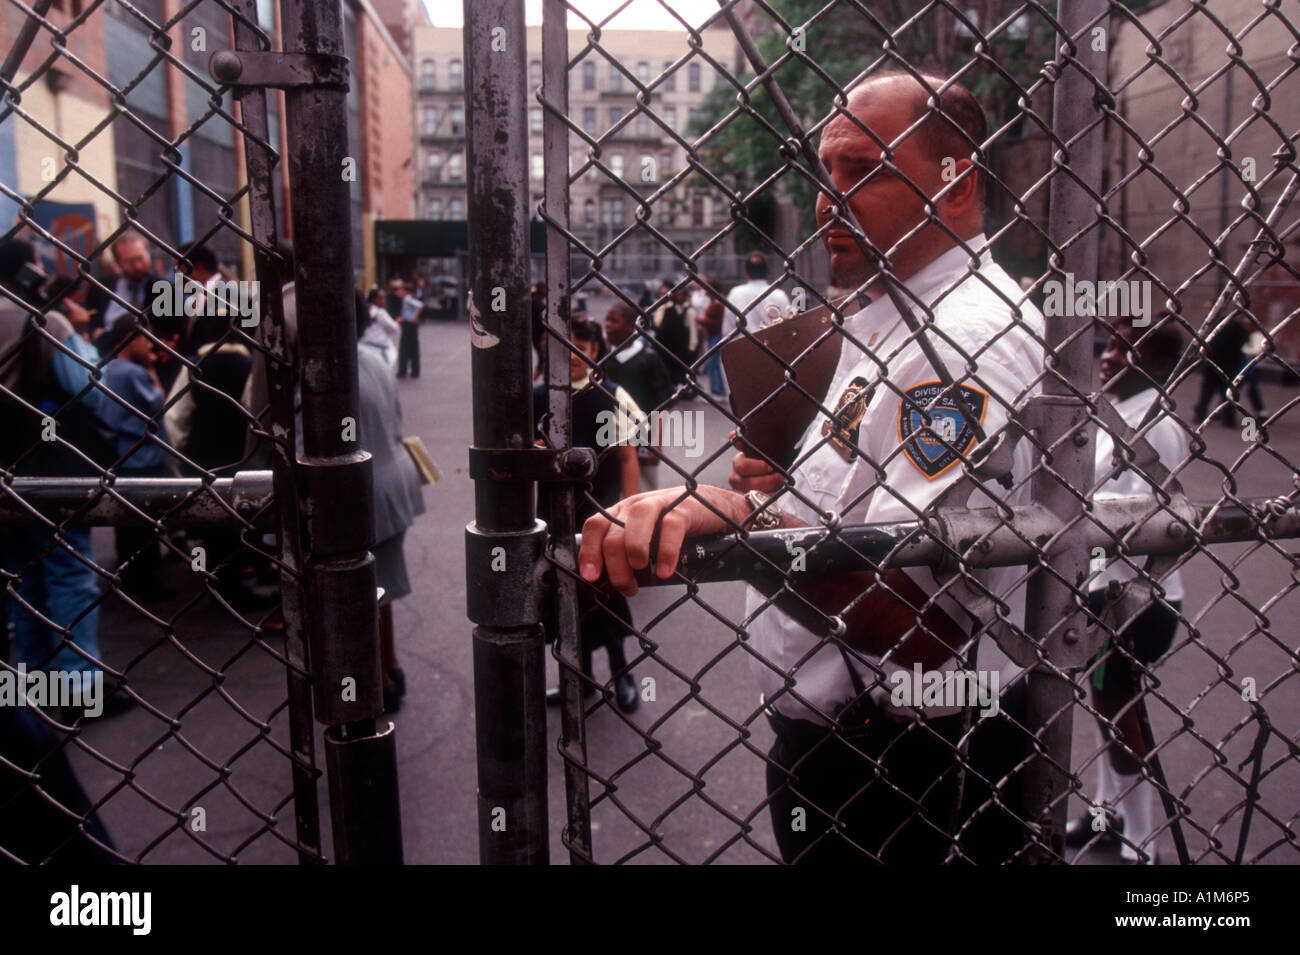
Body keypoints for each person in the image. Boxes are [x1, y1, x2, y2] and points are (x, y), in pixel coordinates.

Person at [576, 71, 1047, 863]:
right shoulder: (887, 308)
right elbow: (859, 511)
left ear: (955, 183)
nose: (830, 199)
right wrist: (786, 492)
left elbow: (927, 634)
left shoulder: (966, 332)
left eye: (864, 170)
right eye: (827, 171)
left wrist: (739, 520)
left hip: (913, 772)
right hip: (845, 749)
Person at [1066, 314, 1187, 865]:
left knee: (1120, 710)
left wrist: (1073, 515)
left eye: (1126, 349)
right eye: (1110, 346)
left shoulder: (1154, 424)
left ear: (1159, 364)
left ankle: (1142, 836)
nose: (1109, 357)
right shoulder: (1117, 413)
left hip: (1133, 597)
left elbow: (1143, 518)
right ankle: (1104, 811)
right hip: (1100, 589)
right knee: (1106, 703)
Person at [0, 239, 127, 716]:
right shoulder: (43, 321)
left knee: (22, 580)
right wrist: (80, 334)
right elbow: (87, 391)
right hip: (45, 463)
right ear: (29, 271)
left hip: (3, 466)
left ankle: (33, 684)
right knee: (69, 572)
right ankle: (78, 688)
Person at [536, 318, 642, 713]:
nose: (573, 355)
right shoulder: (538, 397)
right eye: (564, 347)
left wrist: (629, 512)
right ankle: (576, 681)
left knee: (605, 598)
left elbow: (630, 456)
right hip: (552, 519)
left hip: (601, 514)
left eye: (582, 346)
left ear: (595, 351)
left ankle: (622, 673)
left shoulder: (611, 395)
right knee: (563, 604)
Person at [354, 292, 426, 713]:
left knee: (363, 593)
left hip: (369, 495)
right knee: (380, 589)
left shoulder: (325, 372)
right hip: (393, 483)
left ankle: (379, 680)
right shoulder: (373, 359)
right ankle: (389, 668)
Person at [98, 316, 174, 601]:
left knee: (126, 522)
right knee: (145, 520)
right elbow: (158, 401)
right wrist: (152, 368)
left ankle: (129, 573)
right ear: (130, 337)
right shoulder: (135, 373)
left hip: (121, 453)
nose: (150, 343)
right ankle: (145, 578)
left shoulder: (109, 369)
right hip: (144, 455)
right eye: (145, 337)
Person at [603, 303, 674, 492]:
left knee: (643, 488)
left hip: (642, 434)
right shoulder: (603, 358)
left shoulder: (649, 358)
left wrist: (656, 442)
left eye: (614, 321)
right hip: (607, 432)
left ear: (629, 326)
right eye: (607, 320)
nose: (607, 325)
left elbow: (662, 404)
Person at [1192, 314, 1264, 427]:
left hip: (1213, 361)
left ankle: (1200, 413)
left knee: (1207, 391)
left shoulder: (1218, 326)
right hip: (1230, 365)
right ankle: (1228, 419)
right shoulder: (1238, 329)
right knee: (1227, 392)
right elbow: (1242, 346)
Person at [724, 253, 792, 343]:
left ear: (746, 273)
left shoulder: (736, 293)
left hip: (743, 348)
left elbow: (727, 328)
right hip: (774, 348)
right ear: (767, 271)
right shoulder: (779, 294)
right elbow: (788, 325)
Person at [652, 282, 697, 389]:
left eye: (681, 295)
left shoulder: (686, 310)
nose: (679, 297)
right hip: (668, 343)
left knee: (681, 365)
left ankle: (680, 384)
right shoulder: (668, 309)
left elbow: (692, 329)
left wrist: (692, 344)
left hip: (681, 343)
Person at [390, 278, 423, 379]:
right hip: (409, 323)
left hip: (409, 324)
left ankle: (402, 371)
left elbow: (420, 305)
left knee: (404, 348)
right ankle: (415, 371)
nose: (398, 292)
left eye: (401, 290)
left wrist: (414, 318)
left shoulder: (407, 299)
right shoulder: (406, 299)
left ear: (405, 291)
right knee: (413, 348)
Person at [362, 287, 400, 369]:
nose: (384, 301)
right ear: (374, 300)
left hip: (365, 347)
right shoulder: (380, 313)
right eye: (381, 299)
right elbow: (394, 328)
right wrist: (397, 322)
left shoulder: (366, 310)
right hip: (380, 349)